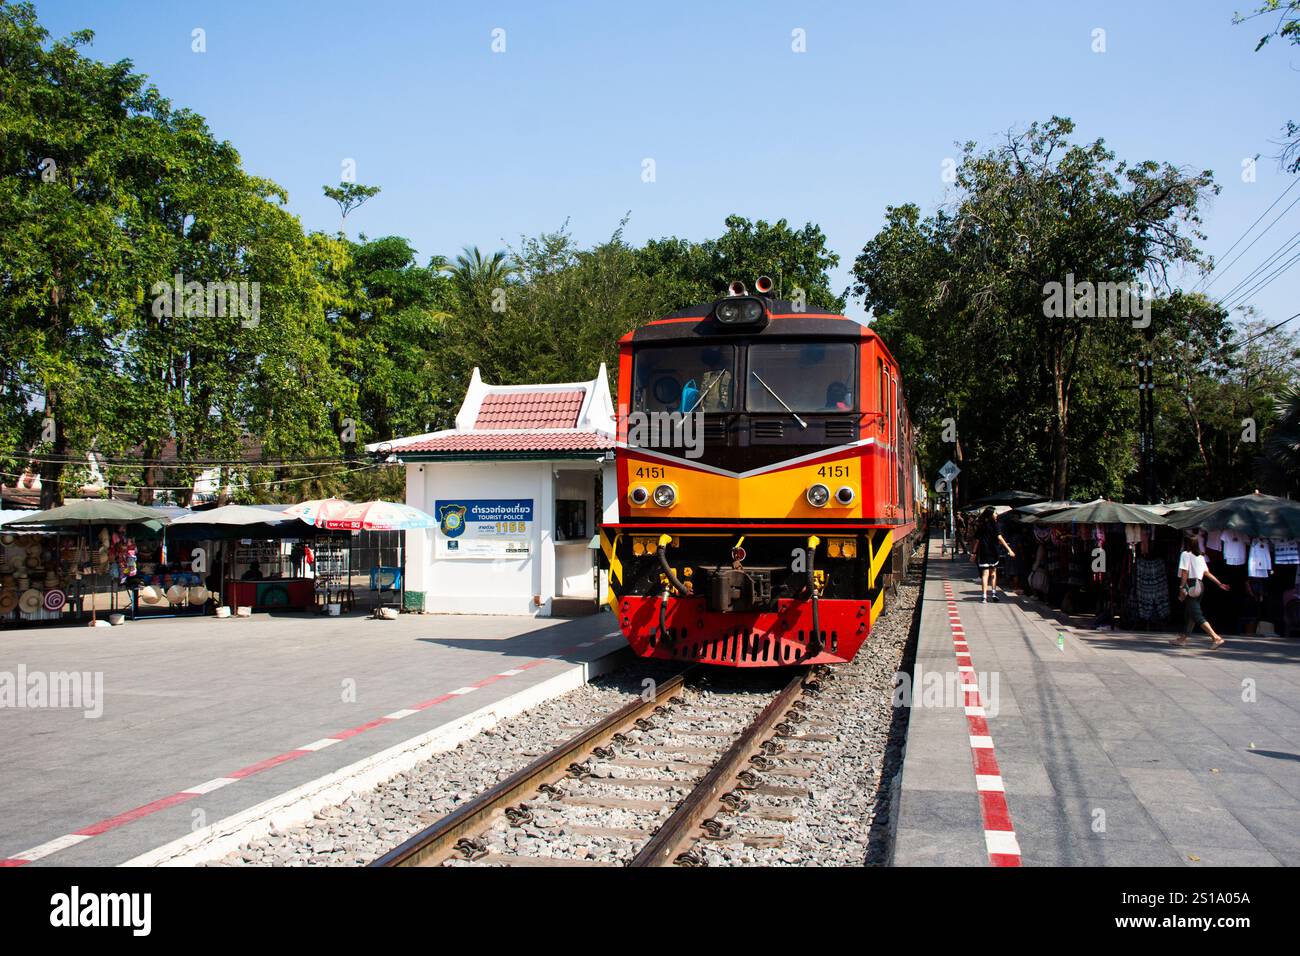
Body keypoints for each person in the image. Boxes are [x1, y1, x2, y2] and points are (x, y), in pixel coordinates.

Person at [1173, 535, 1228, 649]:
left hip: (1191, 585)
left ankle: (1215, 637)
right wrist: (1219, 583)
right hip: (1200, 585)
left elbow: (1184, 572)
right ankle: (1183, 639)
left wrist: (1182, 588)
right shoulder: (1201, 557)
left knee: (1196, 614)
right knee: (1190, 613)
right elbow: (1207, 573)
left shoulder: (1185, 554)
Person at [972, 507, 1016, 603]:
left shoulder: (981, 525)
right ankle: (994, 593)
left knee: (984, 575)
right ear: (991, 515)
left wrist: (974, 553)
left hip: (983, 552)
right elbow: (1000, 538)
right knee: (993, 573)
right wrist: (1009, 549)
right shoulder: (995, 525)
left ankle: (984, 597)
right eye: (995, 513)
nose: (996, 515)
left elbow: (977, 541)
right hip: (994, 552)